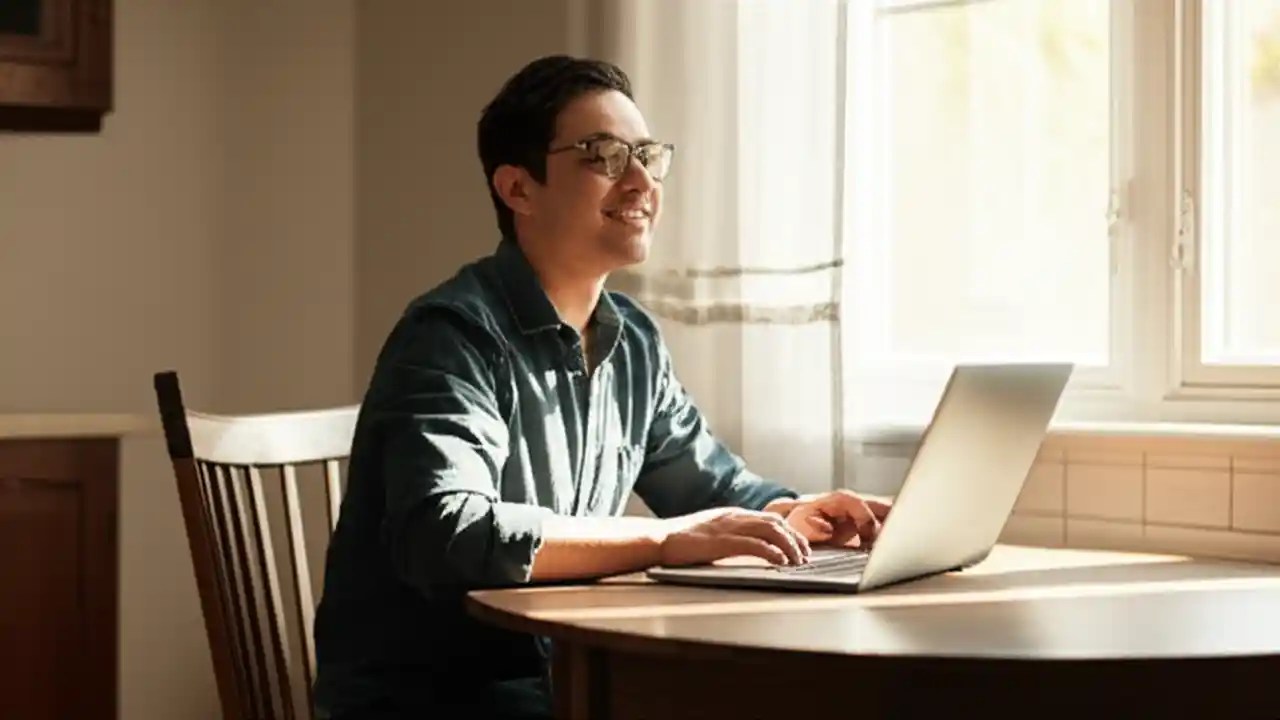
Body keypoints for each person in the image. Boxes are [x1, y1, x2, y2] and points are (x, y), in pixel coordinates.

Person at [312, 55, 891, 719]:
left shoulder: (632, 340)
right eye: (604, 155)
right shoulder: (450, 334)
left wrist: (795, 511)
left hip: (565, 685)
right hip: (438, 701)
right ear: (518, 189)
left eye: (646, 153)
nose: (641, 180)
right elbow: (448, 532)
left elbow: (711, 488)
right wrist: (662, 540)